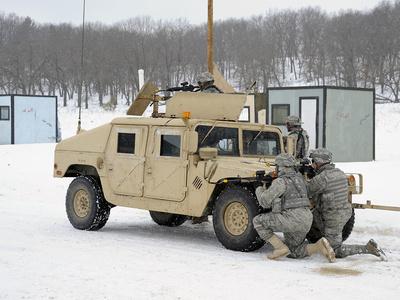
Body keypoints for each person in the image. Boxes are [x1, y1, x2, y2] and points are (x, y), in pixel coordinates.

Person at [253, 153, 336, 262]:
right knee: (295, 251)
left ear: (282, 167)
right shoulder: (301, 179)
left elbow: (264, 202)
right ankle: (318, 246)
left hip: (291, 219)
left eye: (277, 166)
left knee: (258, 221)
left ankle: (279, 248)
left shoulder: (280, 182)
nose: (276, 169)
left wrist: (258, 187)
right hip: (306, 219)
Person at [307, 148, 386, 260]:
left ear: (318, 162)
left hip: (333, 216)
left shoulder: (322, 178)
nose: (312, 164)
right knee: (317, 219)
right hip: (345, 212)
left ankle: (368, 248)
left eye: (313, 162)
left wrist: (309, 178)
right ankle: (323, 240)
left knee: (335, 250)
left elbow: (306, 190)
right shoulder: (339, 173)